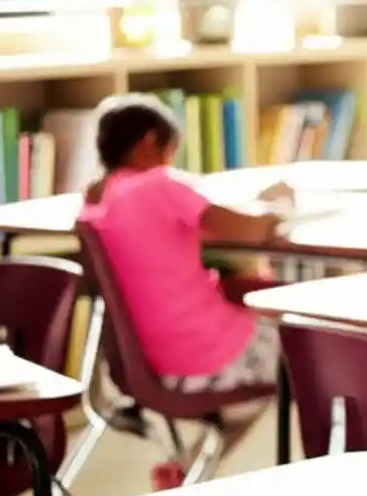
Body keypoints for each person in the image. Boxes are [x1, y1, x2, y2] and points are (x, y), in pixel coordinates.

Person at [79, 94, 288, 394]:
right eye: (171, 151)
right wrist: (278, 208)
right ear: (151, 142)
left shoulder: (95, 202)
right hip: (208, 359)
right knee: (313, 338)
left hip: (149, 366)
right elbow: (248, 231)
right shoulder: (158, 185)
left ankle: (221, 436)